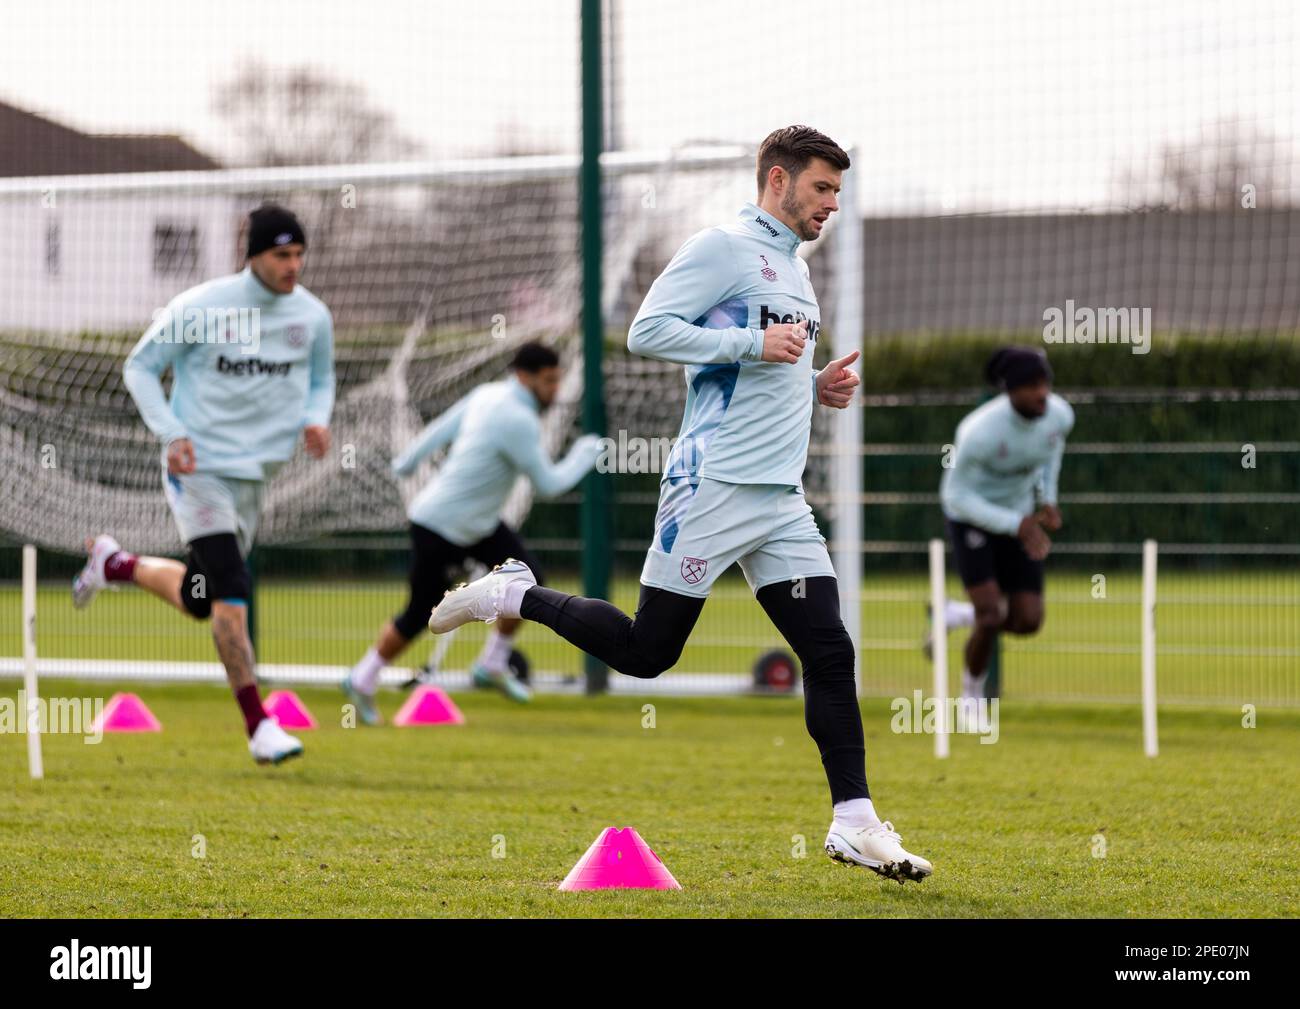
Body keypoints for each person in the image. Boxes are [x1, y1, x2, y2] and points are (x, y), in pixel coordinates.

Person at [427, 126, 932, 883]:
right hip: (714, 481)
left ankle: (854, 821)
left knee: (830, 651)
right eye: (821, 188)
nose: (831, 204)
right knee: (647, 652)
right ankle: (513, 592)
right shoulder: (724, 246)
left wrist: (814, 382)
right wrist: (755, 351)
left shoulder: (794, 268)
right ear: (776, 180)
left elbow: (770, 358)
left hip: (778, 498)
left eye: (837, 191)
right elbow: (646, 332)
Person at [73, 204, 334, 765]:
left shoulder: (312, 316)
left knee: (202, 596)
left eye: (298, 254)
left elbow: (321, 379)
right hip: (200, 471)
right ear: (254, 254)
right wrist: (172, 432)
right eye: (281, 255)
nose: (293, 265)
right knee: (232, 591)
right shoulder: (201, 307)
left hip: (256, 477)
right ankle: (258, 726)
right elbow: (140, 367)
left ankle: (114, 563)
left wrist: (318, 418)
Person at [341, 342, 599, 723]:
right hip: (439, 526)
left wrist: (407, 462)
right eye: (548, 381)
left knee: (529, 582)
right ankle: (361, 679)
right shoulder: (518, 419)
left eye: (557, 381)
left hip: (479, 525)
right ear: (524, 377)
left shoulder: (487, 394)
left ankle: (491, 665)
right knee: (420, 614)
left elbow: (437, 430)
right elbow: (547, 483)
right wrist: (585, 456)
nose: (555, 391)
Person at [931, 346, 1074, 724]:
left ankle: (958, 614)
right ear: (1009, 391)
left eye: (1045, 382)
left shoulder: (1059, 415)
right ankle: (970, 698)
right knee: (991, 616)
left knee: (1028, 620)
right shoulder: (977, 432)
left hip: (1020, 517)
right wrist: (1016, 524)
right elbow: (954, 496)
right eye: (1031, 386)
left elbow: (1050, 457)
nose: (1042, 392)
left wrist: (1048, 500)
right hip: (972, 520)